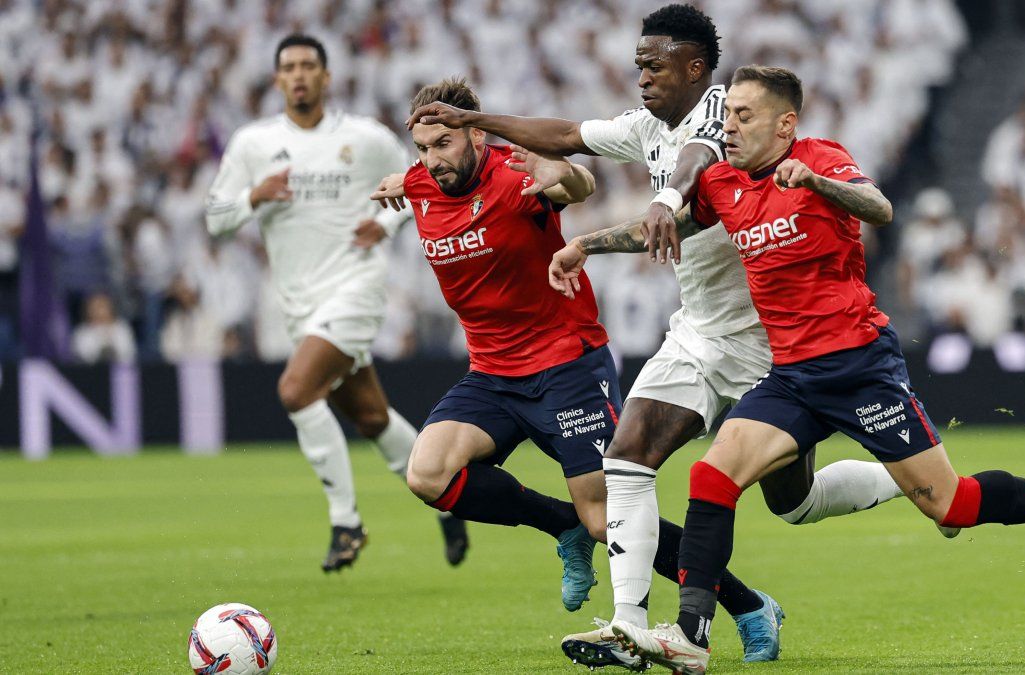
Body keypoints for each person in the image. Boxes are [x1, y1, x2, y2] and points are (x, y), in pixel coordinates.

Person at [600, 65, 1025, 675]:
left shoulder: (819, 157)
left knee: (953, 506)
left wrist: (818, 184)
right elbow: (665, 227)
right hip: (791, 377)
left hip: (860, 367)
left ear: (786, 125)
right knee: (712, 477)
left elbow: (879, 207)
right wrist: (583, 246)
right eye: (726, 116)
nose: (728, 127)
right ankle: (691, 637)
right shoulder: (723, 183)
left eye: (743, 116)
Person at [406, 5, 903, 667]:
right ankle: (629, 626)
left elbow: (698, 158)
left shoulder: (732, 116)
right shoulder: (645, 126)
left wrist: (667, 199)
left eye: (654, 64)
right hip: (697, 335)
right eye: (638, 63)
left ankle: (901, 477)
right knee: (628, 456)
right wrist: (478, 121)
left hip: (770, 344)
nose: (641, 75)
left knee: (796, 502)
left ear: (696, 68)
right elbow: (564, 132)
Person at [373, 80, 778, 663]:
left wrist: (562, 177)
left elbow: (577, 181)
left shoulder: (515, 174)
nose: (433, 160)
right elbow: (407, 182)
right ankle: (557, 523)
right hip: (491, 374)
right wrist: (390, 186)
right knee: (428, 475)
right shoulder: (422, 182)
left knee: (605, 518)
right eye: (422, 149)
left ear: (476, 135)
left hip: (566, 364)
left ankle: (747, 604)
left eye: (443, 143)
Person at [205, 34, 468, 573]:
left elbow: (422, 185)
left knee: (296, 389)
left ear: (326, 77)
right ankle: (449, 499)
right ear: (277, 79)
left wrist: (386, 221)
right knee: (371, 415)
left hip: (357, 286)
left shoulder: (365, 138)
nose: (298, 75)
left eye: (308, 66)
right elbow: (215, 217)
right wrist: (254, 197)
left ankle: (346, 521)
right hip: (300, 304)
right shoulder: (253, 143)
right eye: (288, 67)